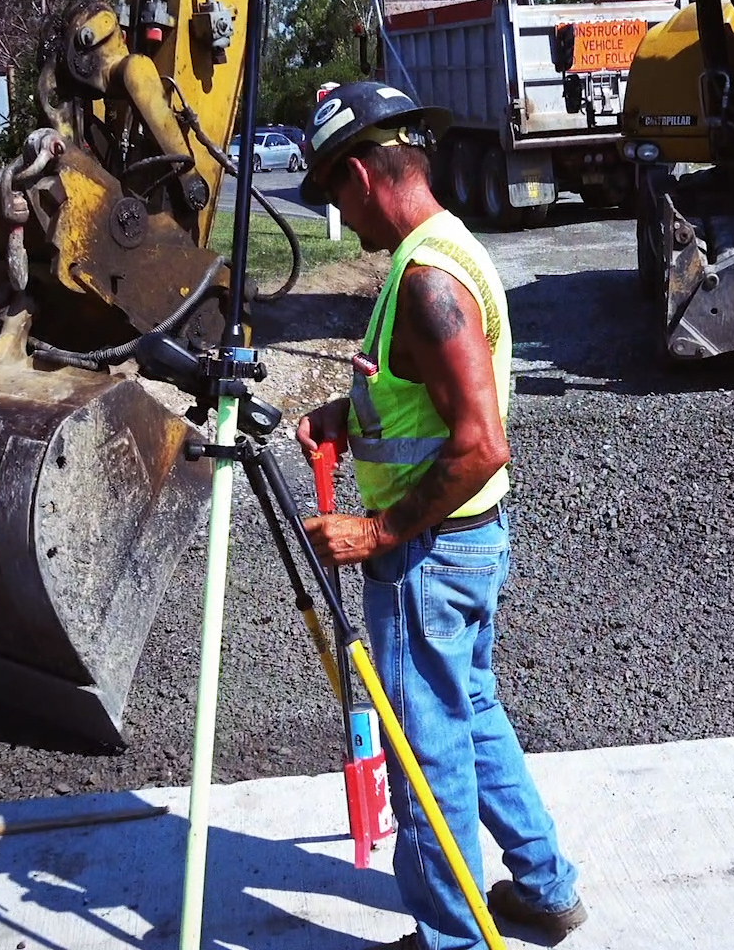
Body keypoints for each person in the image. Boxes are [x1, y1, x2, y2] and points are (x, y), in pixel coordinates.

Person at [295, 82, 584, 950]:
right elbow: (426, 394)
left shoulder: (426, 278)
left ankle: (452, 941)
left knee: (428, 762)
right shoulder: (444, 247)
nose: (342, 214)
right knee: (473, 711)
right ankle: (544, 887)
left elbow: (481, 443)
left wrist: (378, 532)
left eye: (337, 195)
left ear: (360, 174)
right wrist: (348, 415)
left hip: (429, 558)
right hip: (462, 547)